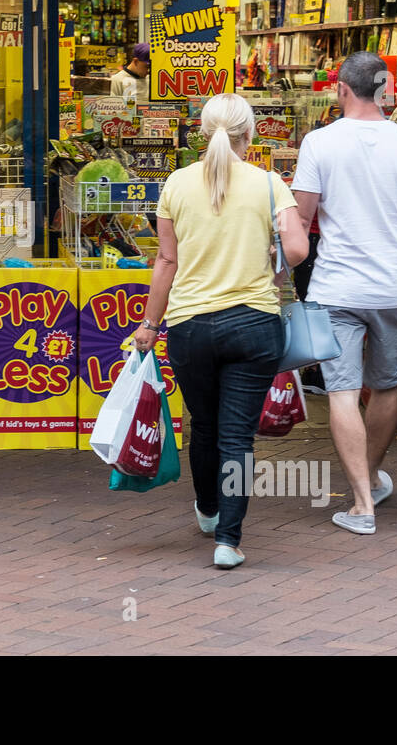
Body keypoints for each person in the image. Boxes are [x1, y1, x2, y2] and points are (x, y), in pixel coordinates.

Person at [133, 93, 309, 569]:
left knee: (203, 426)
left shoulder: (176, 183)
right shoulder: (269, 183)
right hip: (254, 324)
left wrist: (150, 324)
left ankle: (207, 510)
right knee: (238, 437)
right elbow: (297, 248)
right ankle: (228, 541)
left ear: (201, 133)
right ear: (249, 137)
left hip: (191, 327)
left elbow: (166, 260)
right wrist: (271, 268)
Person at [291, 51, 397, 536]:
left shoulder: (318, 143)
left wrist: (278, 275)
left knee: (341, 390)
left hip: (336, 287)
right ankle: (372, 477)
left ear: (342, 89)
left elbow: (301, 221)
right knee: (384, 387)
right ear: (384, 91)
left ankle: (362, 501)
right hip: (392, 288)